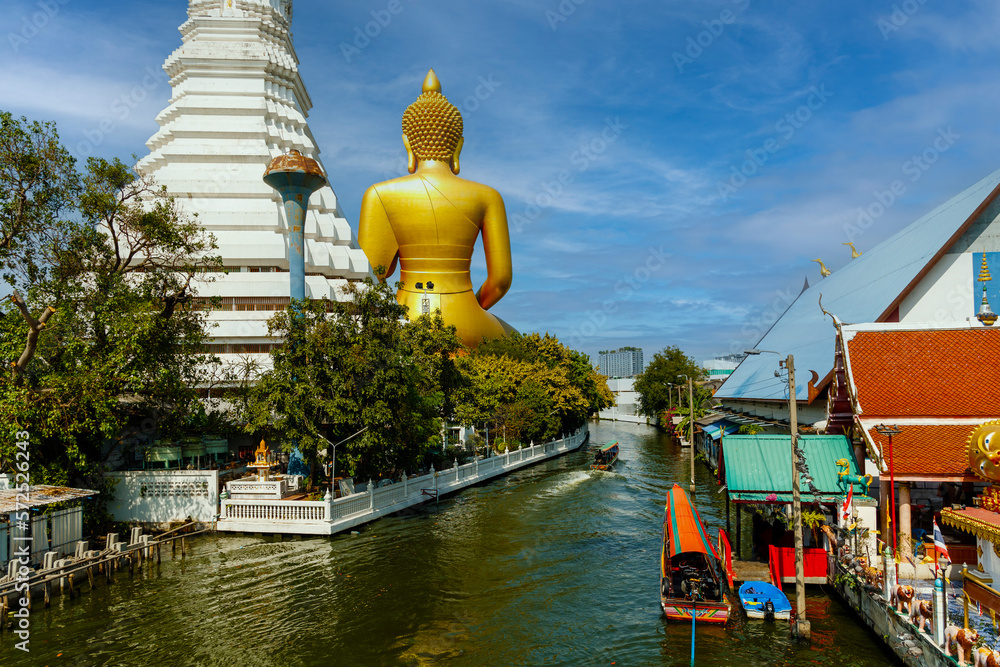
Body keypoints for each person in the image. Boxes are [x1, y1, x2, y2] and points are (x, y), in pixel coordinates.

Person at [358, 70, 514, 349]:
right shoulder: (488, 196)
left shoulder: (379, 194)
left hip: (405, 323)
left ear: (408, 144)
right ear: (458, 146)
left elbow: (373, 276)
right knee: (525, 347)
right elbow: (500, 281)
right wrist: (469, 307)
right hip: (469, 323)